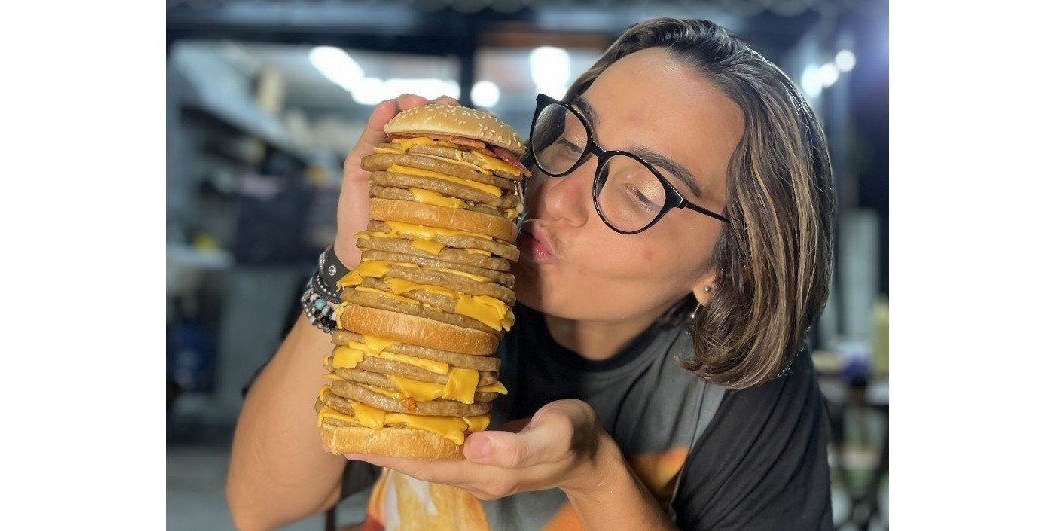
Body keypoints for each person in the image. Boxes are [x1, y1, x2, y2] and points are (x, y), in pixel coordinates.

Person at [227, 17, 835, 530]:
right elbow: (260, 502)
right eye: (571, 138)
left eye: (641, 192)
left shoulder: (743, 398)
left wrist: (594, 474)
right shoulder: (446, 294)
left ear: (728, 270)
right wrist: (357, 264)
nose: (553, 198)